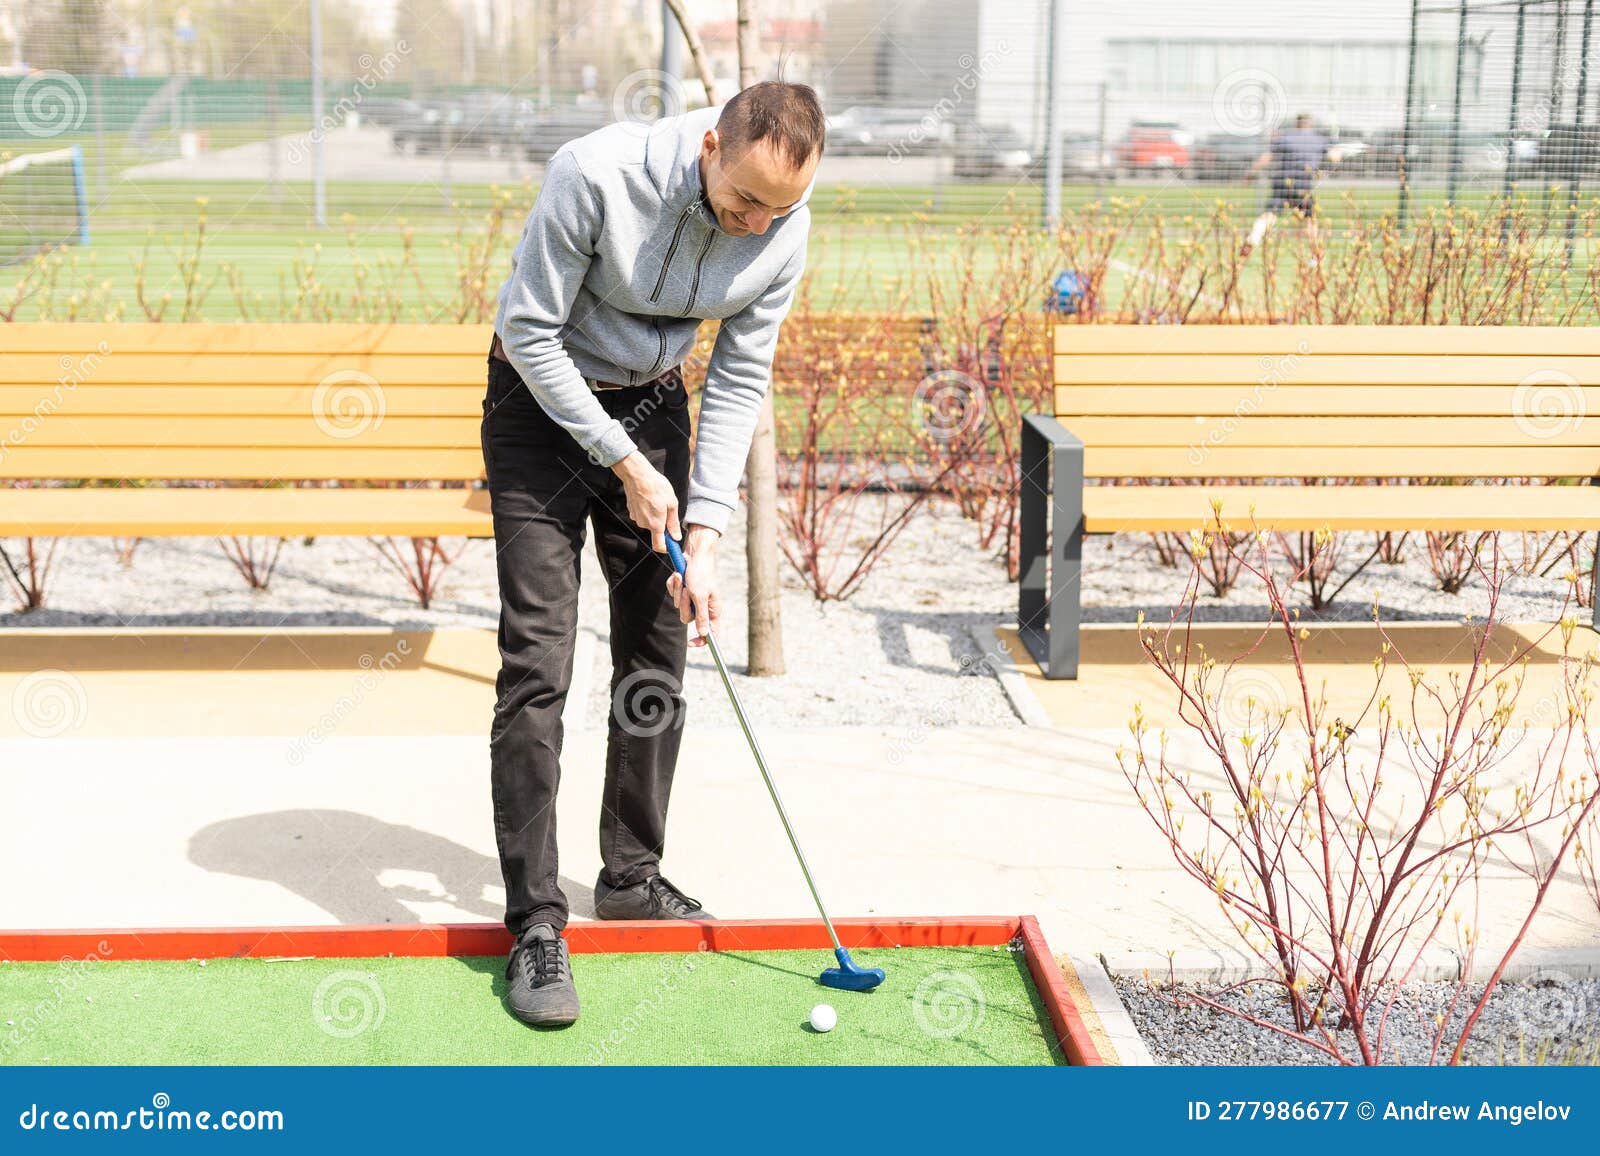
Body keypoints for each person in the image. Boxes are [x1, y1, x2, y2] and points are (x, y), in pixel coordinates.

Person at [483, 81, 824, 1028]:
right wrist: (626, 462)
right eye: (745, 201)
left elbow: (742, 373)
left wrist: (706, 533)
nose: (757, 226)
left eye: (779, 211)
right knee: (538, 662)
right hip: (539, 407)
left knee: (659, 652)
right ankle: (535, 924)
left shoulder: (782, 225)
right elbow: (529, 331)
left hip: (653, 403)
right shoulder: (594, 173)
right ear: (711, 144)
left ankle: (630, 876)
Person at [1240, 113, 1348, 258]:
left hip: (1283, 184)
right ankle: (1315, 253)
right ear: (1310, 124)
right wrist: (1336, 148)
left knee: (1269, 216)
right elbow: (1334, 157)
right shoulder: (1319, 140)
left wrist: (1251, 173)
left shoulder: (1286, 138)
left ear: (1297, 124)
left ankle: (1252, 239)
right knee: (1309, 220)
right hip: (1304, 185)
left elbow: (1267, 157)